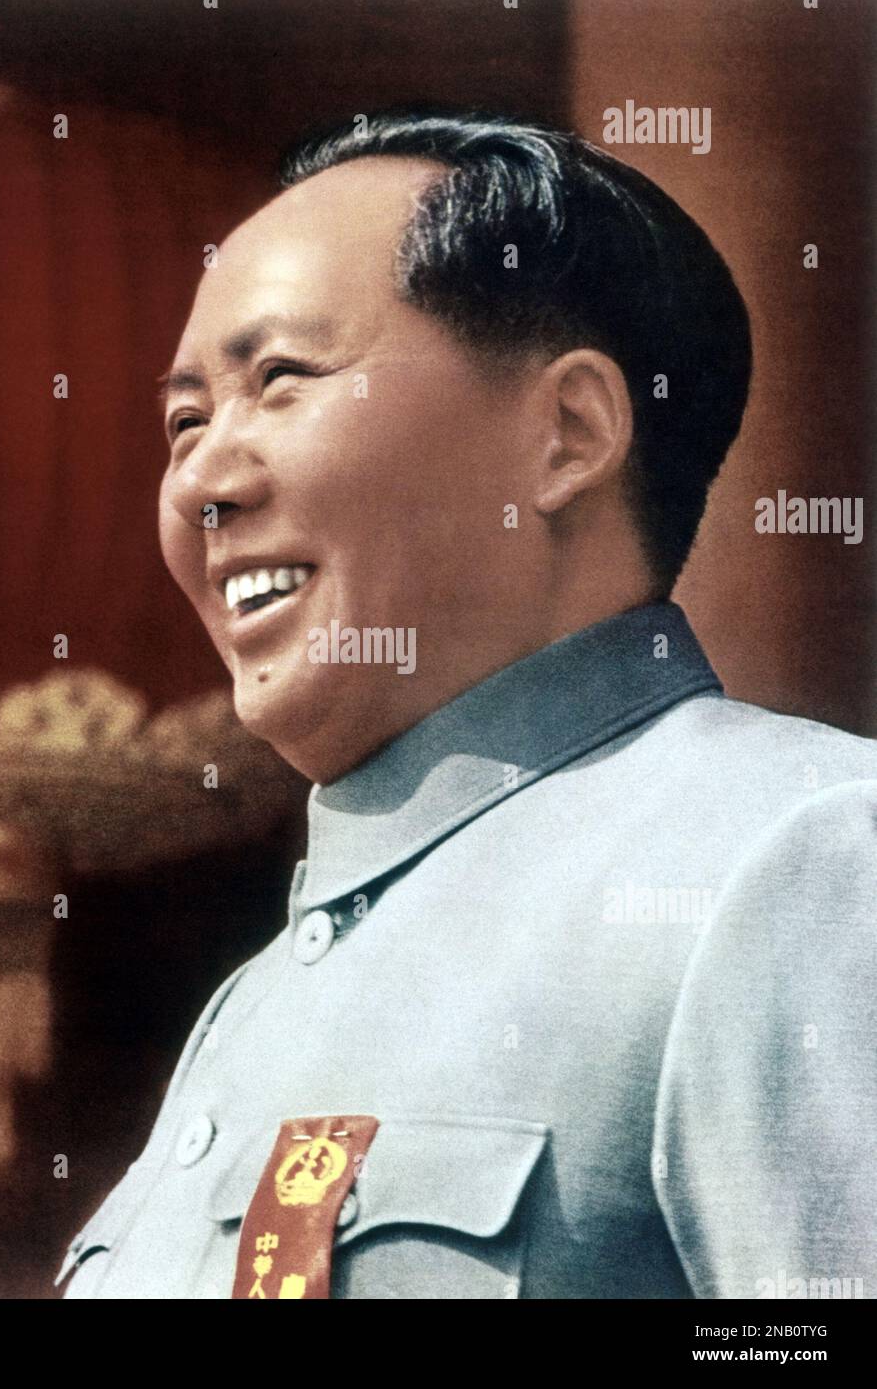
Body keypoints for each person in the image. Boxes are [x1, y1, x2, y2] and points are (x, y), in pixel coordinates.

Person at [56, 108, 876, 1300]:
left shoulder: (798, 856)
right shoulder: (251, 1007)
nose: (201, 485)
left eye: (278, 378)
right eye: (186, 422)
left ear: (568, 433)